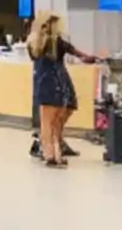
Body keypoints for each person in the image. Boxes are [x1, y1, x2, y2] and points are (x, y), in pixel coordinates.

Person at [27, 13, 98, 168]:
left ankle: (50, 154)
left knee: (47, 123)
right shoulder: (59, 43)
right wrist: (95, 58)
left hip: (43, 83)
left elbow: (35, 59)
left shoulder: (33, 44)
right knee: (56, 123)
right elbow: (82, 57)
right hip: (60, 83)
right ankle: (57, 154)